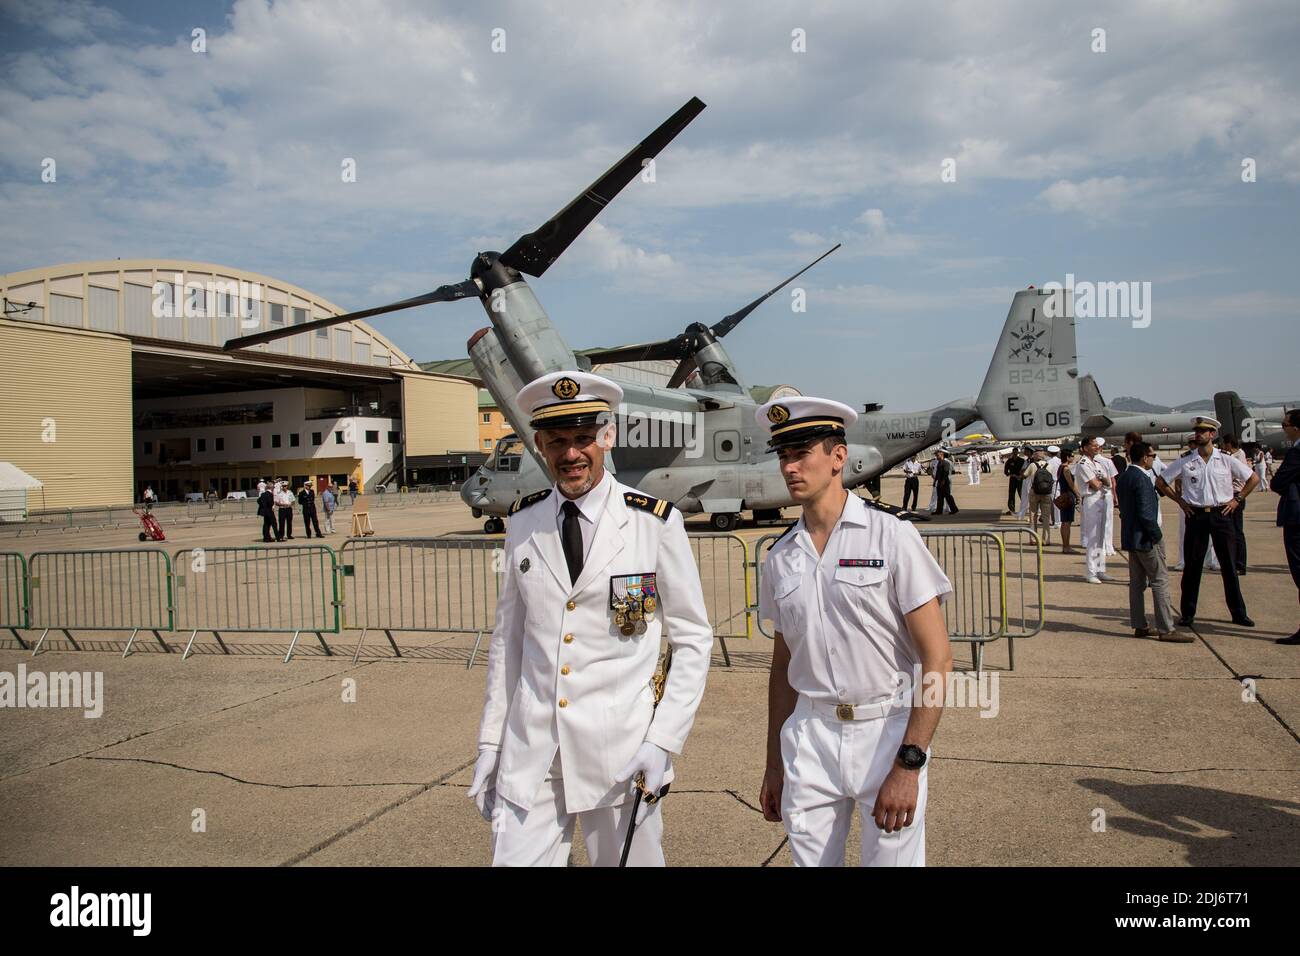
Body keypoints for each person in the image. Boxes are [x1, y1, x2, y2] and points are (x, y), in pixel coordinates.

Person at [467, 371, 713, 867]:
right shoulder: (524, 521)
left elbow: (693, 639)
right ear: (540, 444)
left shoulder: (655, 522)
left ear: (608, 437)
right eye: (557, 441)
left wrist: (663, 740)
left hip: (621, 753)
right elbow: (508, 643)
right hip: (532, 750)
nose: (571, 453)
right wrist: (491, 742)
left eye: (583, 438)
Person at [756, 395, 952, 867]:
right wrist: (774, 764)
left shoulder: (891, 536)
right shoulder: (781, 557)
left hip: (884, 731)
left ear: (837, 456)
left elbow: (938, 659)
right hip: (810, 733)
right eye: (783, 455)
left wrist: (910, 762)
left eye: (801, 453)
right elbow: (783, 666)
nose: (789, 466)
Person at [1155, 416, 1259, 628]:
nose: (1199, 434)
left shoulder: (1226, 459)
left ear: (1212, 435)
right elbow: (1161, 481)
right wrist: (1181, 502)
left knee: (1228, 566)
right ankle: (1188, 613)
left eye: (1203, 431)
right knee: (1192, 567)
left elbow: (1253, 478)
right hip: (1197, 516)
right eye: (1197, 431)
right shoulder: (1186, 460)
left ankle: (1238, 613)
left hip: (1222, 515)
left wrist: (1237, 499)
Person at [1117, 443, 1186, 642]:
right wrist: (1157, 535)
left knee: (1137, 584)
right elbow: (1147, 515)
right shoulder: (1143, 479)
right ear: (1144, 458)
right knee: (1159, 581)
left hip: (1131, 537)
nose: (1154, 459)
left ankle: (1140, 624)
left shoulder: (1124, 477)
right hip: (1146, 539)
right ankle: (1166, 628)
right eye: (1152, 455)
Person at [1270, 410, 1300, 644]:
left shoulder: (1296, 453)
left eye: (1285, 424)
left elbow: (1277, 482)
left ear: (1295, 428)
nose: (1283, 429)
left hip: (1297, 519)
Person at [1074, 437, 1116, 584]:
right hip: (1091, 500)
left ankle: (1100, 569)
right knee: (1092, 537)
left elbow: (1107, 482)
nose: (1097, 447)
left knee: (1101, 537)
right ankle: (1091, 572)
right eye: (1093, 445)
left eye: (1097, 445)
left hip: (1102, 499)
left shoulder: (1097, 463)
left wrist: (1101, 481)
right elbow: (1096, 484)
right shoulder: (1083, 464)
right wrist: (1101, 481)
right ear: (1085, 448)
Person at [1221, 434, 1249, 575]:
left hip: (1236, 496)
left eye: (1224, 444)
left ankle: (1240, 565)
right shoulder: (1236, 455)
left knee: (1236, 531)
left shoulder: (1237, 457)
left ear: (1228, 444)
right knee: (1231, 531)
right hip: (1232, 496)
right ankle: (1233, 563)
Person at [1023, 449, 1055, 546]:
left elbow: (1024, 475)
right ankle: (1046, 539)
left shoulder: (1032, 465)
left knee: (1033, 515)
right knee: (1046, 517)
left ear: (1035, 456)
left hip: (1034, 492)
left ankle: (1033, 538)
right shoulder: (1050, 466)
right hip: (1046, 493)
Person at [1057, 448, 1078, 554]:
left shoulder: (1060, 468)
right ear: (1067, 457)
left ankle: (1065, 545)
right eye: (1072, 456)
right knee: (1067, 522)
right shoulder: (1066, 469)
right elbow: (1071, 484)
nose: (1073, 458)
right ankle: (1066, 546)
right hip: (1068, 496)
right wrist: (1078, 495)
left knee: (1064, 521)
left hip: (1063, 495)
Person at [933, 449, 958, 516]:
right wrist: (935, 481)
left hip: (945, 482)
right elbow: (938, 474)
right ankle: (939, 511)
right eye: (936, 455)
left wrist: (943, 481)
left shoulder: (946, 463)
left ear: (942, 455)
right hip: (939, 482)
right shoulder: (939, 463)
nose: (936, 457)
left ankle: (954, 509)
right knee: (940, 497)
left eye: (937, 455)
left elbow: (946, 473)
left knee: (948, 496)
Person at [1004, 447, 1025, 515]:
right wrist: (1011, 474)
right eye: (1014, 452)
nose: (1015, 454)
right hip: (1013, 479)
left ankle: (1024, 509)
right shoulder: (1009, 461)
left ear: (1018, 453)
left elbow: (1025, 469)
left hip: (1020, 479)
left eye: (1016, 452)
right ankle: (1011, 509)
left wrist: (1021, 476)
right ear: (1012, 453)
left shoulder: (1022, 460)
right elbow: (1006, 471)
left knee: (1022, 494)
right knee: (1011, 494)